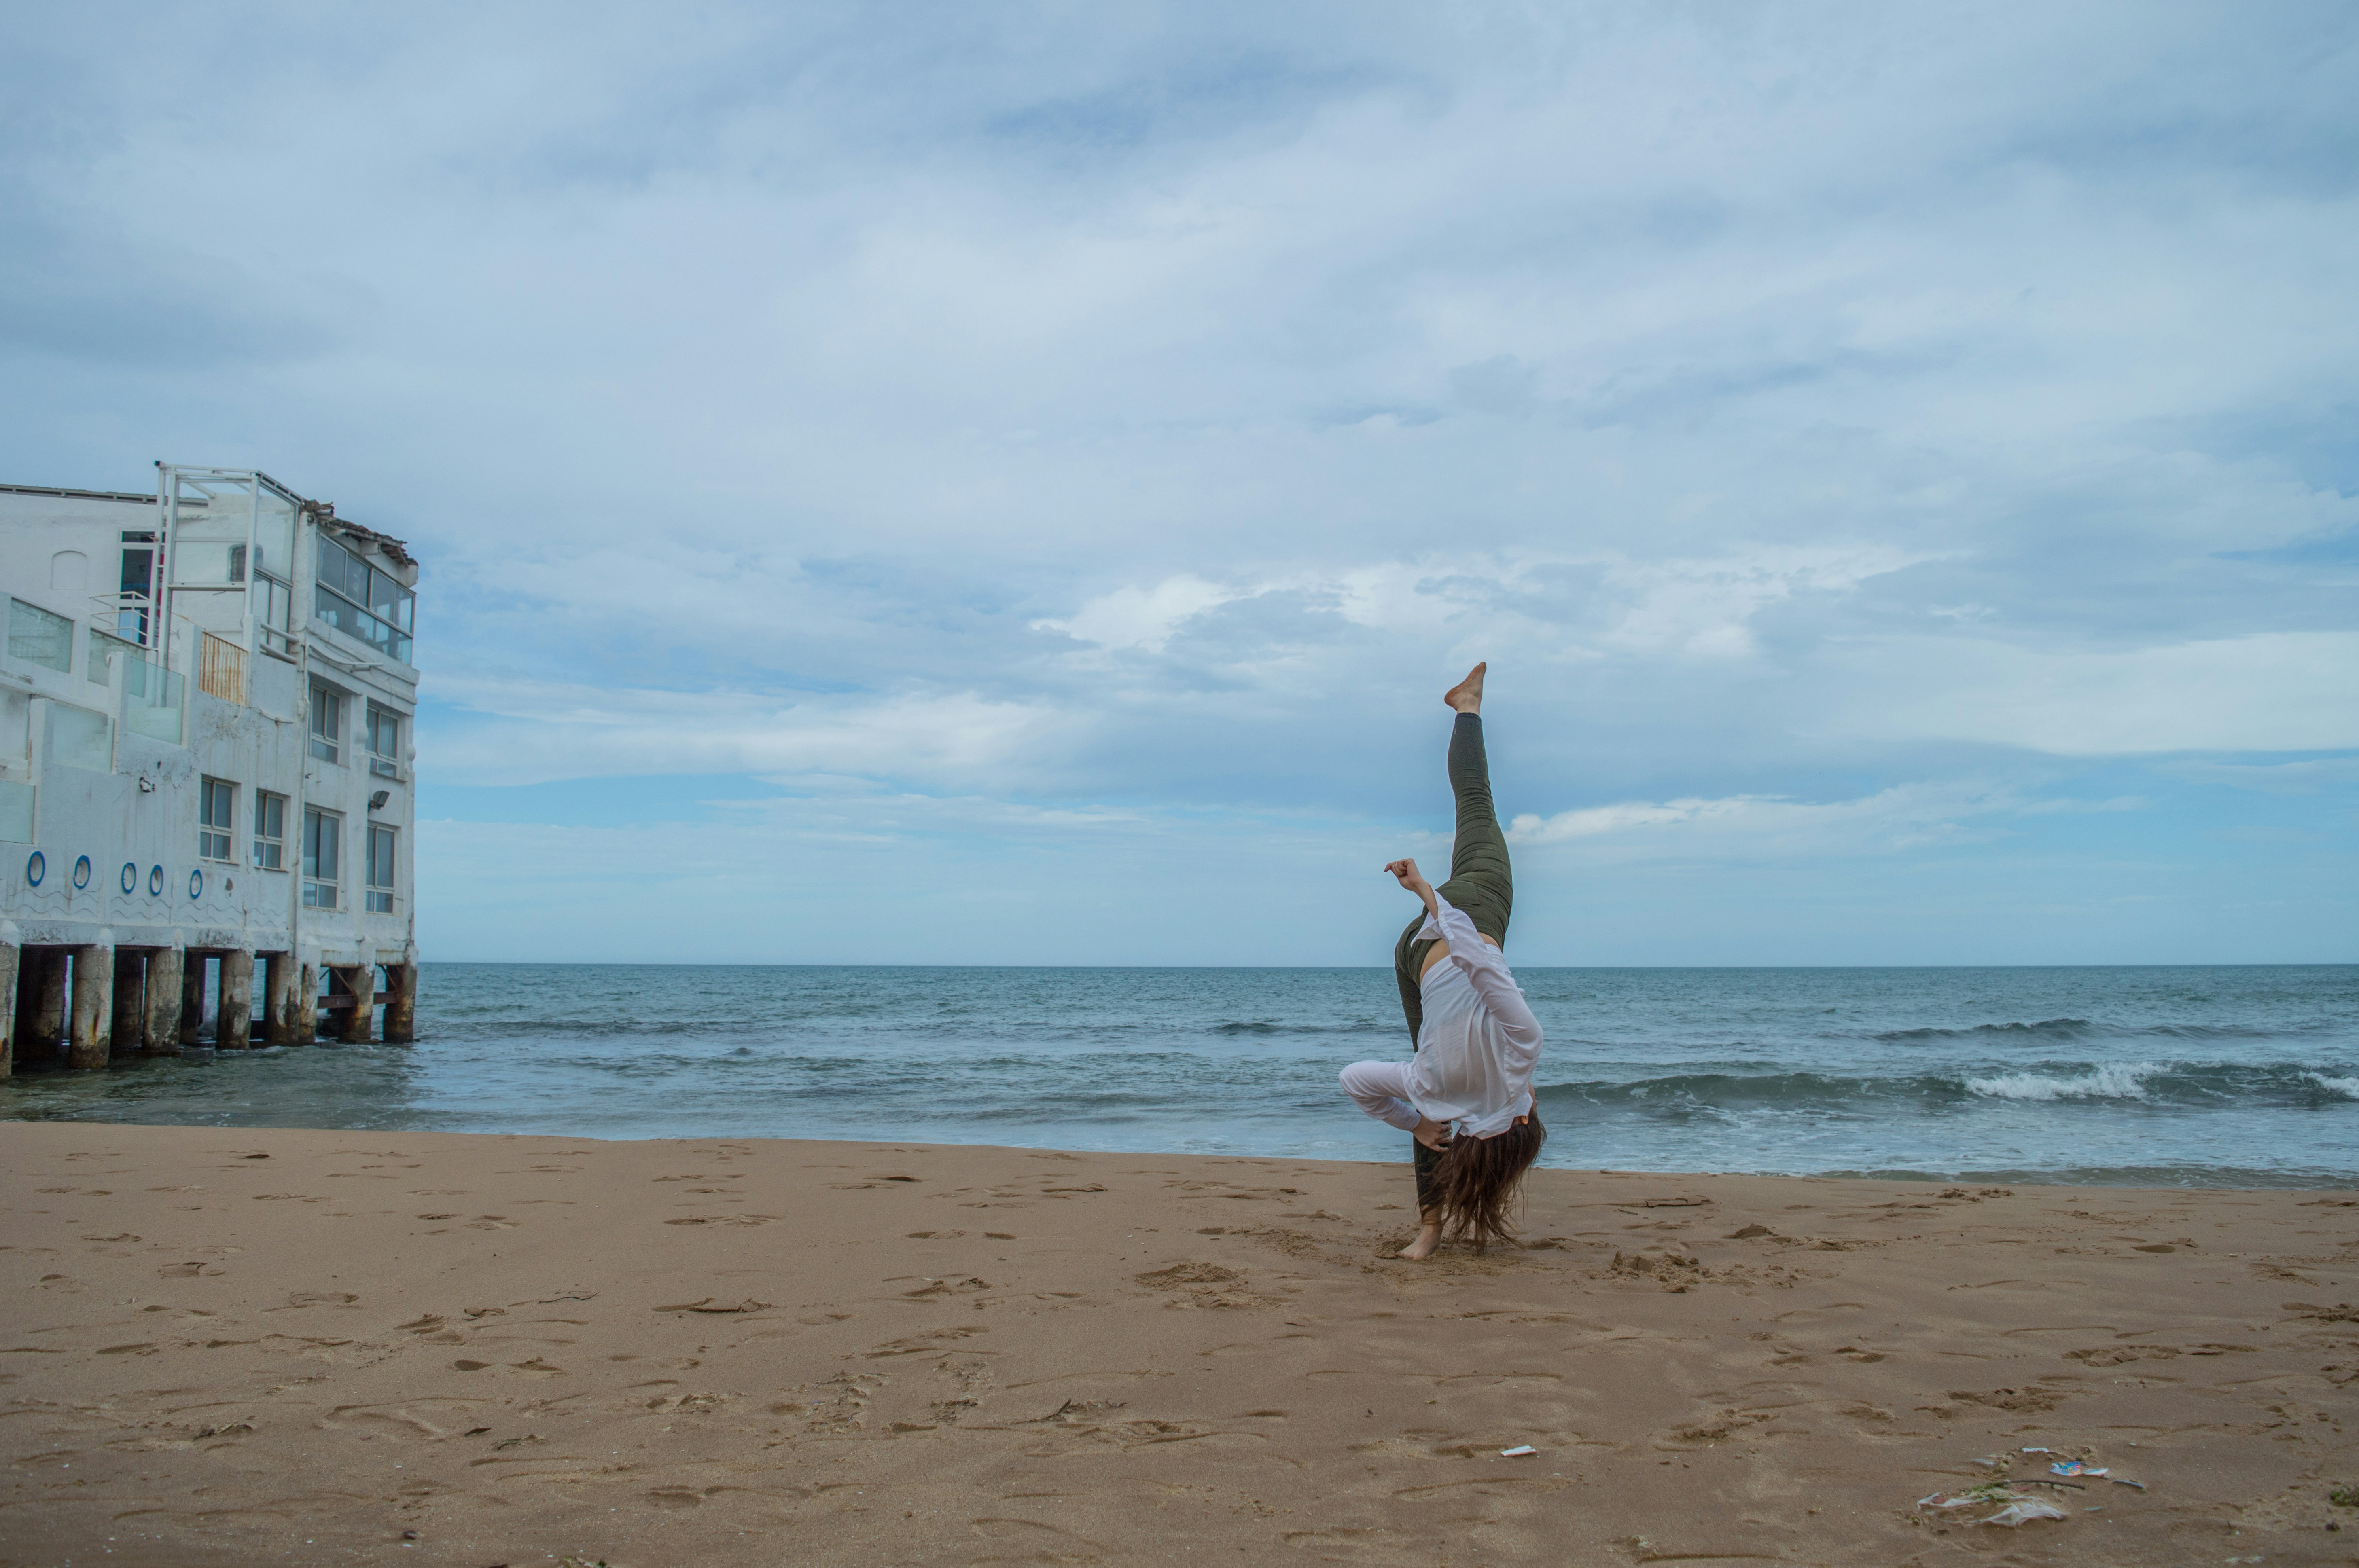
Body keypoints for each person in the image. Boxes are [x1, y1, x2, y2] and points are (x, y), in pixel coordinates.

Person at [1338, 662, 1545, 1259]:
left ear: (1522, 1111)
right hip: (1412, 956)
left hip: (1463, 915)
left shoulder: (1524, 1047)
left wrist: (1430, 894)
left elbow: (1480, 963)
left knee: (1475, 804)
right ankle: (1435, 1228)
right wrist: (1415, 1120)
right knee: (1431, 1117)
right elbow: (1355, 1080)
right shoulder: (1432, 1086)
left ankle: (1467, 707)